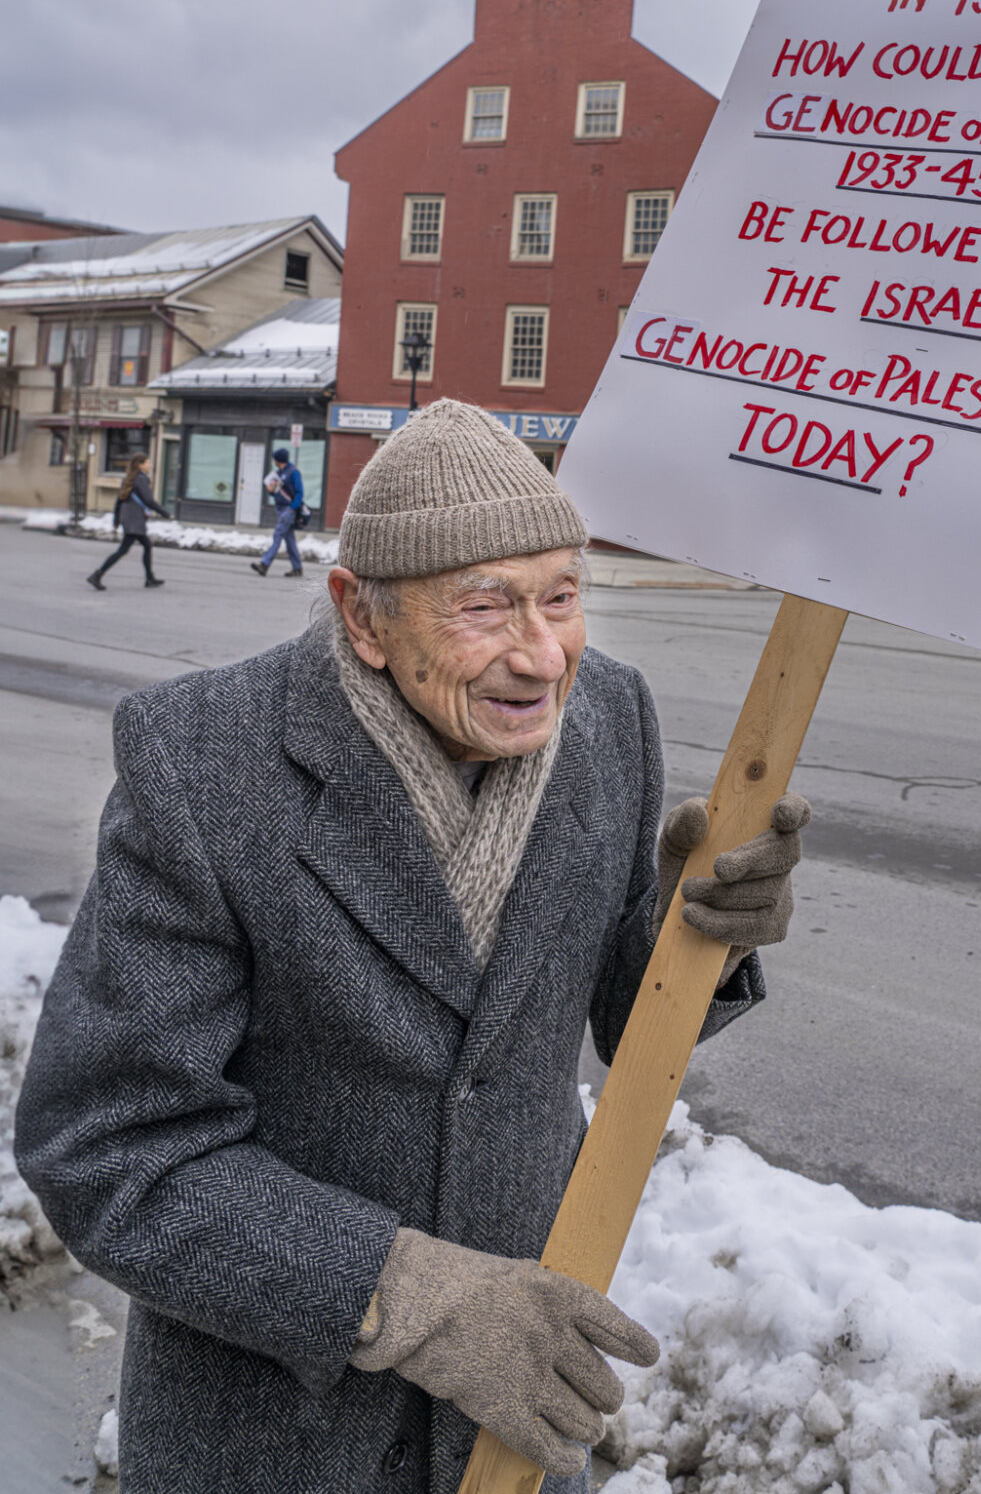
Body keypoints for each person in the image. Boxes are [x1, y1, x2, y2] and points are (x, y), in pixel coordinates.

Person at [17, 399, 809, 1494]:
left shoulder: (610, 718)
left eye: (563, 597)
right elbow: (105, 1146)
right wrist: (414, 1298)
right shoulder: (204, 762)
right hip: (270, 1448)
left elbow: (627, 1025)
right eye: (484, 605)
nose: (542, 654)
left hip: (513, 1434)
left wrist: (694, 925)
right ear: (364, 616)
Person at [86, 453, 168, 590]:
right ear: (140, 465)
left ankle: (150, 578)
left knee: (147, 545)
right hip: (134, 520)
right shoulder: (141, 479)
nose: (150, 465)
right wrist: (165, 513)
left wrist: (117, 518)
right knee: (123, 550)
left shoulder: (129, 478)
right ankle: (97, 575)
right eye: (148, 462)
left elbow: (119, 500)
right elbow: (149, 500)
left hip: (129, 517)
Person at [251, 445, 305, 577]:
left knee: (277, 536)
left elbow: (300, 492)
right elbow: (278, 493)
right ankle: (297, 568)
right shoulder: (279, 473)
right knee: (289, 540)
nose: (273, 460)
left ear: (278, 459)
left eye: (274, 458)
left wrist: (292, 508)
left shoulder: (293, 472)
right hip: (281, 509)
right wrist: (271, 491)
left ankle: (264, 564)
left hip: (288, 510)